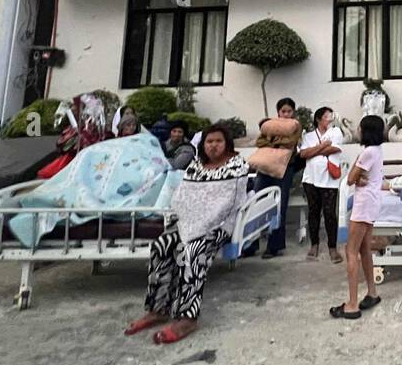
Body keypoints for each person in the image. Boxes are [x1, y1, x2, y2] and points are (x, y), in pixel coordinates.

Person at [125, 123, 248, 344]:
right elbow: (182, 196)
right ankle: (158, 307)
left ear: (227, 143)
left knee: (193, 251)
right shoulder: (196, 166)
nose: (213, 146)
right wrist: (186, 220)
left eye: (218, 141)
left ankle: (187, 316)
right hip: (188, 222)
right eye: (209, 141)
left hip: (217, 225)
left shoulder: (236, 165)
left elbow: (229, 203)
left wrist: (201, 225)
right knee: (161, 245)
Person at [331, 114, 386, 320]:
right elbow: (359, 177)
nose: (358, 131)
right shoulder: (377, 150)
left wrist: (356, 171)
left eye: (360, 128)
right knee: (364, 248)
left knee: (351, 251)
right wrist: (358, 175)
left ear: (366, 131)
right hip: (372, 203)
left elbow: (351, 179)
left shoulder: (367, 153)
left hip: (363, 206)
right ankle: (372, 292)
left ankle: (352, 305)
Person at [299, 106, 345, 263]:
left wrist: (315, 151)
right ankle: (314, 245)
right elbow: (303, 154)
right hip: (310, 179)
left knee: (330, 214)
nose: (330, 119)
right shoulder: (309, 136)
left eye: (331, 116)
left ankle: (333, 247)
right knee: (313, 212)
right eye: (326, 116)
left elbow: (334, 149)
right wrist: (321, 146)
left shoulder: (336, 132)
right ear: (318, 119)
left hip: (329, 180)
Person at [258, 96, 303, 256]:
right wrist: (275, 141)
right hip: (264, 167)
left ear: (293, 112)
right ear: (278, 112)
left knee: (279, 205)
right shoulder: (269, 125)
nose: (286, 114)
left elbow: (291, 142)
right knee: (257, 203)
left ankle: (274, 246)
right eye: (283, 111)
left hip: (285, 169)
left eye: (289, 111)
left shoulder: (296, 127)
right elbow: (260, 142)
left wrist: (276, 141)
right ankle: (250, 244)